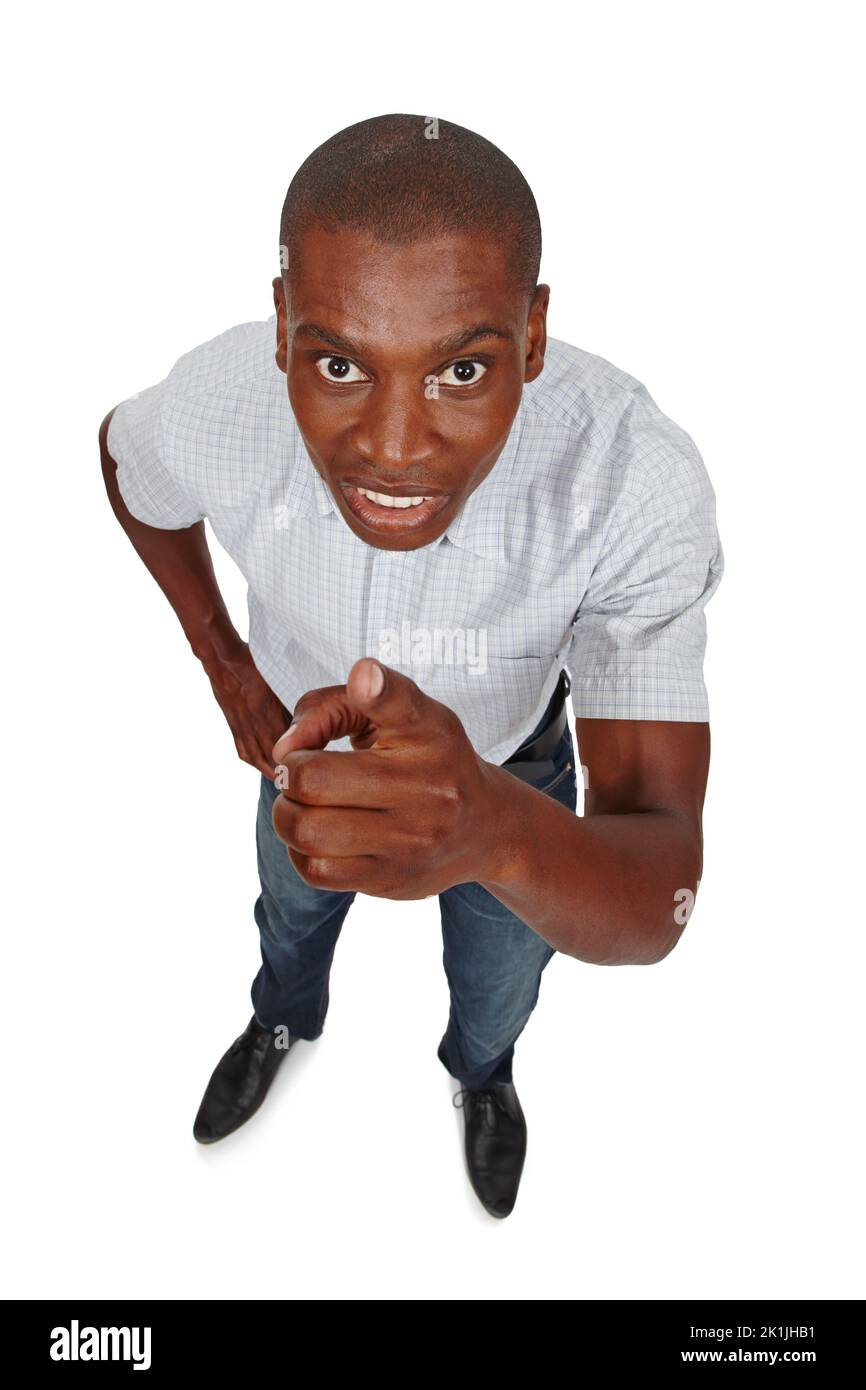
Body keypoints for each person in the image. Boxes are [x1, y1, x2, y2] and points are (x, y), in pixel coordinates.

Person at [99, 113, 723, 1220]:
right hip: (299, 750)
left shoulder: (631, 480)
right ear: (283, 323)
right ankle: (281, 1023)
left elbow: (659, 892)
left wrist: (489, 823)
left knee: (497, 985)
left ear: (531, 338)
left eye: (462, 369)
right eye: (337, 362)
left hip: (511, 774)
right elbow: (122, 456)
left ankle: (481, 1079)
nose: (391, 446)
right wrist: (225, 666)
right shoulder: (219, 398)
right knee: (286, 924)